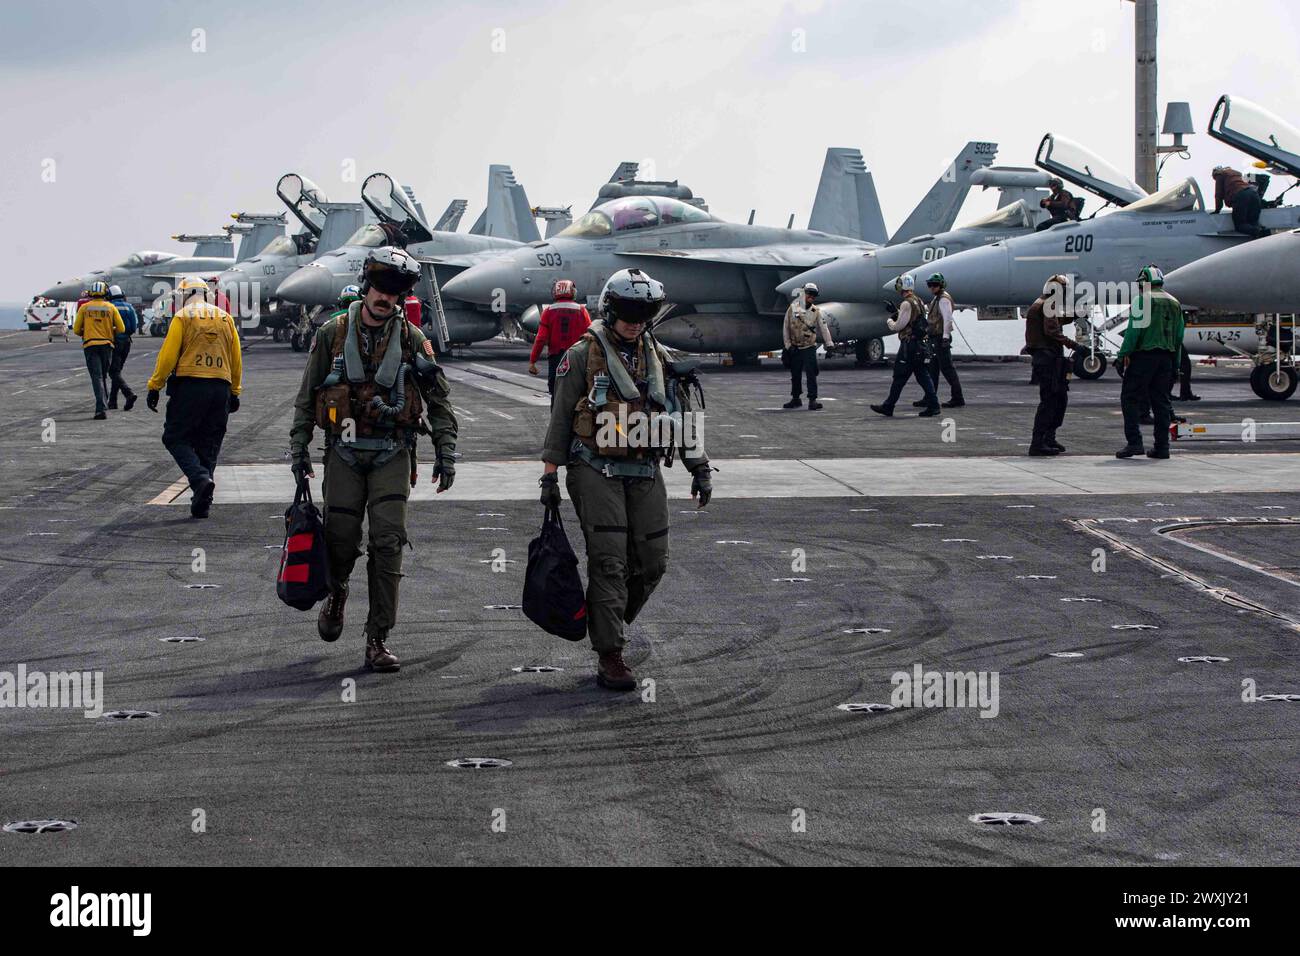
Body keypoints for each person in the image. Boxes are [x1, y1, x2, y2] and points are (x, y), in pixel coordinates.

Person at [539, 268, 712, 691]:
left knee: (653, 562)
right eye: (629, 312)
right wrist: (549, 475)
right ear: (611, 310)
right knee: (610, 562)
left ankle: (605, 617)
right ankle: (610, 653)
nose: (635, 321)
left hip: (646, 468)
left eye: (643, 312)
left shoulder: (660, 358)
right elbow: (561, 417)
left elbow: (682, 415)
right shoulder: (581, 356)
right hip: (595, 469)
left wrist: (700, 467)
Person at [290, 247, 459, 673]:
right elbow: (308, 396)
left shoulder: (413, 341)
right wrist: (298, 450)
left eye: (396, 291)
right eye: (382, 288)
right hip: (343, 453)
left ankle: (378, 638)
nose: (387, 297)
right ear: (368, 284)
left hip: (392, 453)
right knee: (341, 540)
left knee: (388, 543)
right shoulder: (331, 334)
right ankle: (338, 588)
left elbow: (439, 401)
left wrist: (446, 452)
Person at [145, 275, 243, 518]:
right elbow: (236, 358)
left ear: (184, 295)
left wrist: (155, 385)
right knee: (209, 444)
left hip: (189, 386)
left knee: (175, 437)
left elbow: (168, 356)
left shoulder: (182, 317)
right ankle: (202, 501)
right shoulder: (225, 318)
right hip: (221, 387)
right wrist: (235, 391)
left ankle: (199, 479)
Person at [1116, 266, 1184, 460]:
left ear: (1144, 282)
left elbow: (1133, 332)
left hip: (1143, 358)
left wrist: (1122, 356)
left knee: (1129, 399)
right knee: (1161, 403)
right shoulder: (1174, 302)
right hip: (1167, 360)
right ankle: (1162, 448)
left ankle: (1134, 443)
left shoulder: (1142, 300)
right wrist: (1176, 365)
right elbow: (1179, 338)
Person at [1023, 274, 1082, 455]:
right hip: (1048, 358)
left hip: (1046, 358)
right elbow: (1052, 331)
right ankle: (1038, 443)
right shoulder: (1049, 304)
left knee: (1058, 399)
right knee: (1050, 401)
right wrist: (1075, 345)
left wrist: (1073, 315)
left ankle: (1049, 438)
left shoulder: (1042, 302)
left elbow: (1055, 321)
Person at [870, 275, 940, 417]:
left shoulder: (906, 303)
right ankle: (934, 405)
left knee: (900, 376)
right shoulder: (918, 301)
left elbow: (898, 326)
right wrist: (896, 312)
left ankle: (889, 406)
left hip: (909, 346)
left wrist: (890, 320)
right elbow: (914, 319)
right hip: (919, 345)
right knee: (922, 376)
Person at [529, 279, 592, 400]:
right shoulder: (581, 310)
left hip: (556, 358)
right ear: (573, 292)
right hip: (578, 358)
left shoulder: (548, 311)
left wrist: (533, 361)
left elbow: (541, 339)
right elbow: (590, 335)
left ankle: (557, 416)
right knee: (580, 394)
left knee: (555, 393)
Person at [72, 281, 124, 420]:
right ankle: (104, 404)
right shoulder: (111, 307)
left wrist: (88, 330)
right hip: (107, 346)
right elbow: (121, 329)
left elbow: (76, 330)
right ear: (105, 292)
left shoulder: (84, 308)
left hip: (90, 345)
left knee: (97, 377)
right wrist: (109, 329)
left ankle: (100, 409)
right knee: (103, 375)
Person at [782, 282, 835, 410]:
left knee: (811, 374)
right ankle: (796, 399)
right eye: (809, 293)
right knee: (795, 374)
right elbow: (786, 327)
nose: (811, 296)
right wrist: (788, 345)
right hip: (795, 346)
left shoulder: (815, 311)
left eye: (814, 294)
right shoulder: (793, 308)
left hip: (809, 347)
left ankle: (813, 400)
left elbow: (824, 328)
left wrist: (829, 344)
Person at [922, 273, 964, 408]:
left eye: (935, 284)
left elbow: (947, 319)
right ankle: (929, 397)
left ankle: (958, 398)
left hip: (941, 337)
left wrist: (945, 337)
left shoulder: (943, 299)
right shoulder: (936, 299)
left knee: (947, 369)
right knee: (933, 369)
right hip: (936, 337)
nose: (932, 287)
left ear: (941, 285)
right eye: (930, 285)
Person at [106, 285, 139, 411]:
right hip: (126, 343)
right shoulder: (129, 306)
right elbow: (133, 327)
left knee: (113, 372)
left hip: (113, 343)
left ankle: (128, 393)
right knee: (117, 371)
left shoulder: (109, 307)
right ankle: (113, 402)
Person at [1212, 166, 1268, 239]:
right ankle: (1263, 235)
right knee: (1253, 223)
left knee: (1240, 225)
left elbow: (1218, 194)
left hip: (1241, 196)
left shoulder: (1220, 175)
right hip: (1254, 194)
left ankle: (1260, 233)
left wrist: (1217, 210)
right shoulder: (1237, 174)